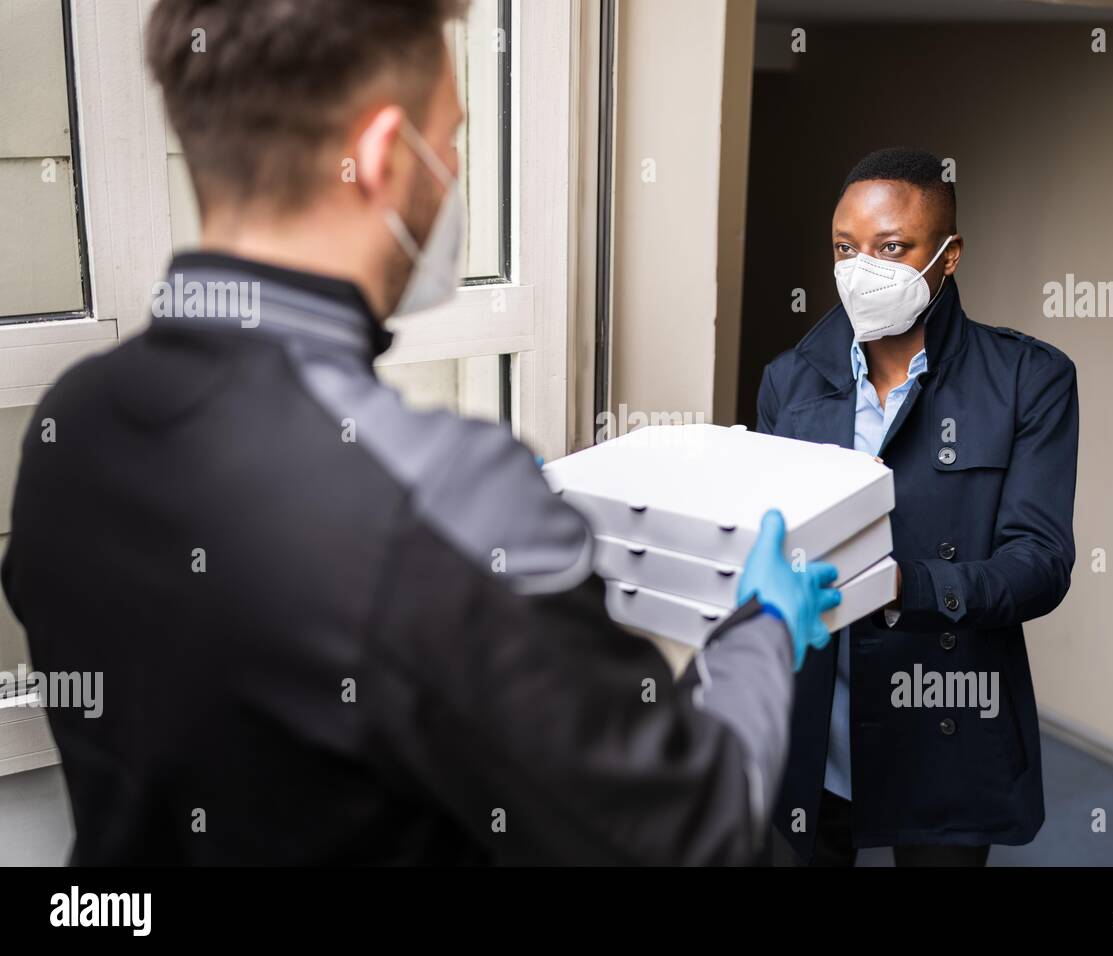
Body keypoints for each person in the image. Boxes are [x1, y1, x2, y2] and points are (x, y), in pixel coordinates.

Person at [0, 0, 839, 865]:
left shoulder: (73, 422)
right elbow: (699, 835)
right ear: (379, 157)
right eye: (452, 141)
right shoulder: (449, 500)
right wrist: (761, 631)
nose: (453, 176)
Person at [758, 148, 1079, 867]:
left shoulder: (1031, 379)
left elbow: (1042, 564)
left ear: (949, 254)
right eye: (845, 248)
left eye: (892, 247)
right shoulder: (789, 381)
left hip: (946, 722)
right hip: (816, 725)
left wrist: (906, 582)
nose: (860, 269)